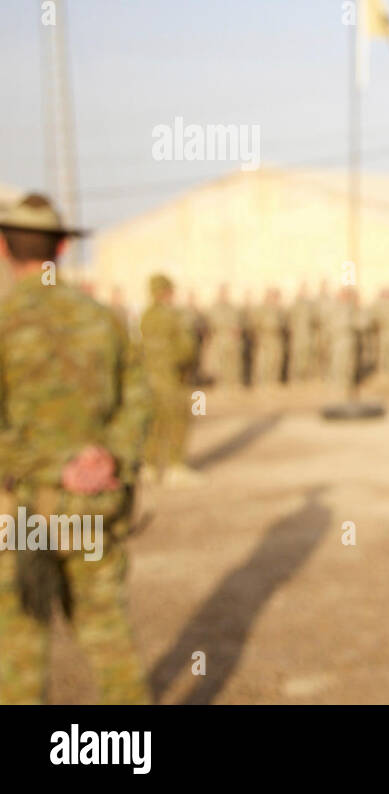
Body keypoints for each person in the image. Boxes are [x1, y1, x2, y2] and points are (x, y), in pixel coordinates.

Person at [0, 194, 151, 703]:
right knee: (109, 640)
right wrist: (106, 458)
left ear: (2, 248)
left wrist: (52, 466)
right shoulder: (106, 320)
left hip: (21, 511)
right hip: (94, 503)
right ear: (63, 247)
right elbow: (137, 399)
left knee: (19, 652)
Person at [139, 273, 199, 487]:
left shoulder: (145, 316)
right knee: (178, 421)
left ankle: (149, 466)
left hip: (149, 379)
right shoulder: (173, 316)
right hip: (172, 378)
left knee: (154, 423)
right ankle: (175, 467)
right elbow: (187, 349)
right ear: (167, 292)